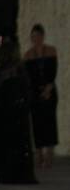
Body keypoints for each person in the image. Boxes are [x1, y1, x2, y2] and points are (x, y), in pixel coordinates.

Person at [0, 39, 36, 185]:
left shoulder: (0, 70)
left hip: (6, 112)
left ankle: (7, 173)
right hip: (20, 111)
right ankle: (23, 173)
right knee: (21, 143)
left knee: (7, 143)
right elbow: (27, 89)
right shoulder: (20, 68)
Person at [24, 24, 58, 170]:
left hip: (50, 91)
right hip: (35, 93)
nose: (35, 39)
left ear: (43, 36)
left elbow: (53, 73)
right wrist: (36, 92)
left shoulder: (51, 50)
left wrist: (48, 89)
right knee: (37, 124)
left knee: (50, 123)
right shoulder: (28, 55)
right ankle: (39, 155)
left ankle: (49, 155)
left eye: (37, 36)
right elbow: (28, 78)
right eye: (33, 37)